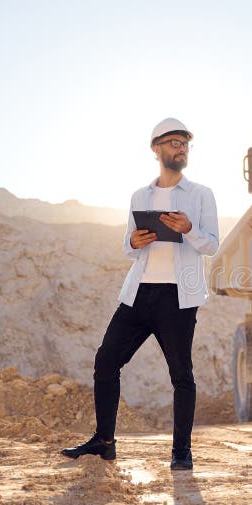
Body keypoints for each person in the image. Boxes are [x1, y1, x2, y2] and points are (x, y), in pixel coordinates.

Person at [61, 118, 220, 470]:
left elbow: (212, 245)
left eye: (185, 143)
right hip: (138, 293)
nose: (181, 148)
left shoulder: (201, 194)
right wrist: (134, 241)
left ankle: (181, 451)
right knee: (106, 361)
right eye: (174, 142)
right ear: (156, 149)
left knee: (181, 374)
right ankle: (104, 442)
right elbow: (127, 247)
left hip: (179, 297)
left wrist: (189, 229)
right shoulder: (140, 196)